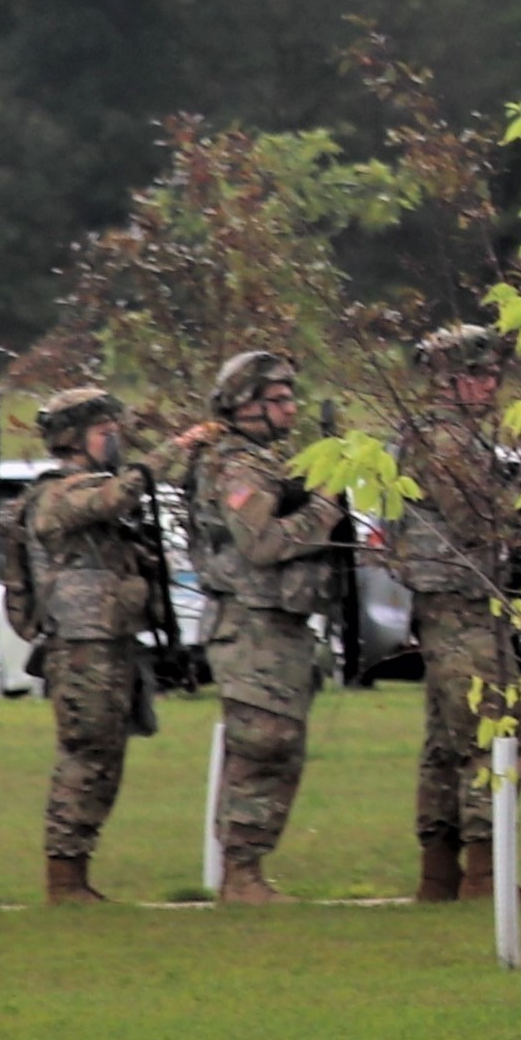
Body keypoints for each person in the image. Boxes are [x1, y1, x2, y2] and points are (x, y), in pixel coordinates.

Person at [167, 347, 358, 903]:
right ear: (244, 405)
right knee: (262, 744)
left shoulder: (262, 461)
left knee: (280, 746)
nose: (290, 409)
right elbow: (262, 543)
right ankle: (241, 873)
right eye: (276, 399)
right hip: (250, 625)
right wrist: (325, 505)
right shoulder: (238, 465)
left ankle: (249, 870)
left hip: (277, 623)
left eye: (290, 397)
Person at [393, 323, 521, 901]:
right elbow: (481, 519)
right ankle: (483, 872)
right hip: (461, 603)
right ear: (446, 380)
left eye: (492, 374)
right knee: (494, 730)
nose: (489, 384)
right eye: (476, 374)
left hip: (457, 603)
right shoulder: (447, 441)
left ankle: (441, 871)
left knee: (447, 740)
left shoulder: (441, 436)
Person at [18, 384, 167, 904]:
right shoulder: (58, 494)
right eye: (105, 432)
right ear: (73, 439)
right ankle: (64, 877)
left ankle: (77, 872)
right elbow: (114, 497)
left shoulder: (94, 490)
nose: (115, 441)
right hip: (80, 645)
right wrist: (170, 453)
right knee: (85, 754)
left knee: (106, 756)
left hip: (110, 639)